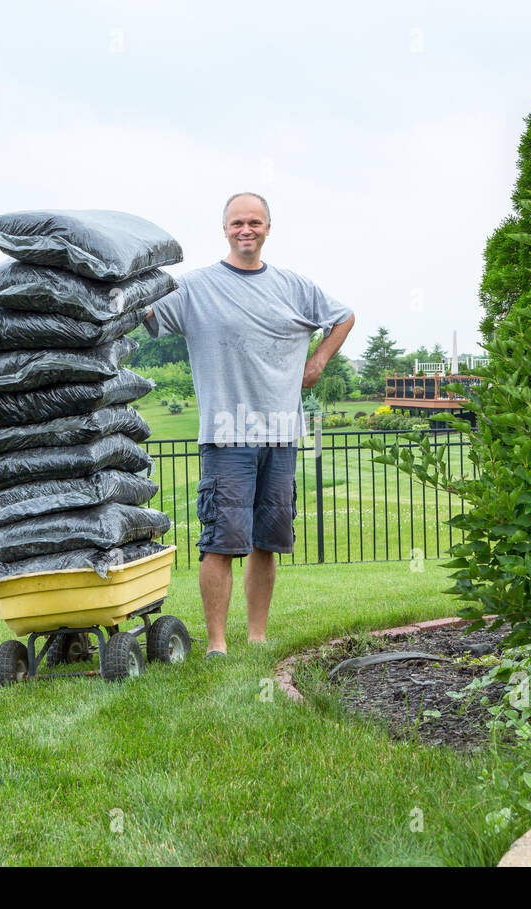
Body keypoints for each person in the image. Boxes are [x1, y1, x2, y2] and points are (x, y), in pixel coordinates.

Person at [142, 192, 355, 658]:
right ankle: (217, 644)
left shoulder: (294, 286)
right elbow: (148, 314)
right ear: (224, 229)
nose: (246, 230)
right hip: (226, 436)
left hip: (281, 435)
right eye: (237, 222)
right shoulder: (195, 287)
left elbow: (343, 316)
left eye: (255, 222)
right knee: (220, 542)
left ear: (268, 228)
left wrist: (317, 361)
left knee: (267, 543)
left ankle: (257, 637)